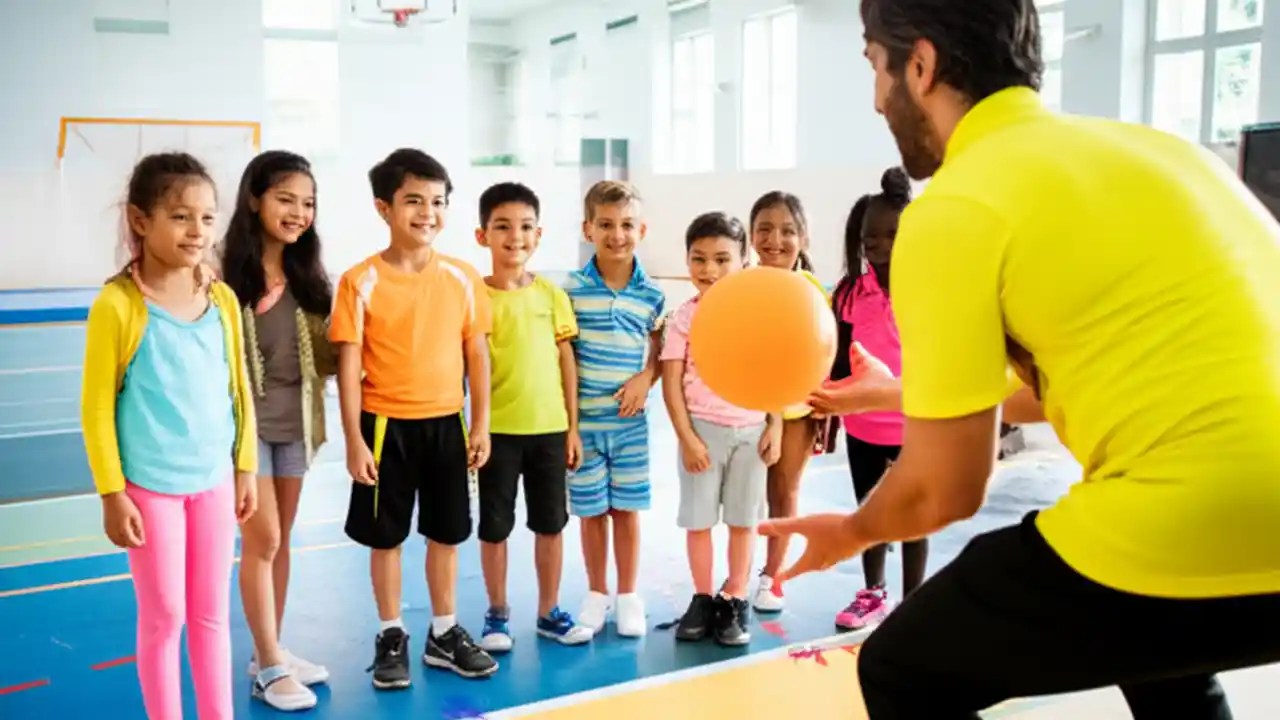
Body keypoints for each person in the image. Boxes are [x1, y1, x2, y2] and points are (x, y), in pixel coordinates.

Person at [764, 1, 1280, 718]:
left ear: (921, 64)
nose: (875, 97)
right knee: (1164, 653)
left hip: (1193, 519)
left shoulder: (955, 209)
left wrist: (849, 531)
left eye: (874, 66)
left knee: (902, 668)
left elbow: (945, 491)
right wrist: (886, 396)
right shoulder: (1170, 153)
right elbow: (1097, 370)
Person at [81, 152, 258, 720]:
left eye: (207, 219)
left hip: (212, 485)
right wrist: (113, 492)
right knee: (164, 618)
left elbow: (239, 391)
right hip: (150, 491)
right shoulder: (118, 306)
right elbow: (96, 408)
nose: (197, 231)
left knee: (211, 616)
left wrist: (245, 466)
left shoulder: (223, 301)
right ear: (140, 221)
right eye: (181, 217)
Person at [329, 148, 497, 688]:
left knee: (447, 534)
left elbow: (477, 356)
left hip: (446, 425)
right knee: (387, 538)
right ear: (384, 208)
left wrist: (481, 423)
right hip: (384, 428)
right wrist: (355, 441)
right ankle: (391, 633)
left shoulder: (464, 278)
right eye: (414, 201)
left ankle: (444, 633)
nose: (428, 212)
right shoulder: (360, 281)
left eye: (438, 202)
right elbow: (349, 367)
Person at [220, 150, 337, 710]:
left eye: (307, 203)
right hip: (245, 433)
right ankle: (267, 668)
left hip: (295, 426)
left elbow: (332, 357)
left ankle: (270, 649)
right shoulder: (221, 276)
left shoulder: (309, 278)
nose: (298, 212)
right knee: (261, 540)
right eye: (285, 199)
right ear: (254, 199)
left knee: (280, 541)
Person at [472, 181, 593, 652]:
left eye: (524, 227)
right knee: (495, 527)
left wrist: (572, 427)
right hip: (497, 433)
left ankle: (548, 611)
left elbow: (566, 361)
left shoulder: (551, 296)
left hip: (549, 432)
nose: (514, 236)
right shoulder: (475, 297)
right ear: (483, 236)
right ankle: (497, 613)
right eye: (502, 226)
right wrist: (476, 427)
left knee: (550, 524)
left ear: (538, 235)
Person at [661, 211, 782, 646]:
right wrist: (687, 437)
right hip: (703, 433)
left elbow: (775, 371)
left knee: (743, 521)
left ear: (744, 261)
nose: (709, 270)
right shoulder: (684, 318)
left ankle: (735, 597)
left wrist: (777, 423)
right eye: (699, 259)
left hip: (751, 434)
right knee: (698, 521)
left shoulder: (757, 313)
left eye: (721, 259)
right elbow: (672, 382)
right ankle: (702, 597)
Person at [564, 180, 666, 638]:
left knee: (627, 511)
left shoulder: (652, 295)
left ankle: (627, 595)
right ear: (589, 229)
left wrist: (646, 378)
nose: (616, 234)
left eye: (626, 225)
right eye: (605, 224)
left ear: (641, 230)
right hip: (584, 426)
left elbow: (663, 346)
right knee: (591, 513)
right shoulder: (570, 291)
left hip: (630, 427)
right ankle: (597, 592)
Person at [826, 168, 922, 633]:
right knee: (870, 511)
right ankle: (874, 592)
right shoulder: (848, 294)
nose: (879, 244)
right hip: (863, 427)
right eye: (871, 237)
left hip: (915, 427)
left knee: (914, 516)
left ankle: (914, 600)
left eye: (892, 233)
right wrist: (830, 406)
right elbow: (839, 361)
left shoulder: (929, 291)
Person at [746, 191, 828, 614]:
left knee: (783, 490)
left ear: (804, 238)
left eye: (787, 230)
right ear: (750, 234)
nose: (775, 239)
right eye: (764, 228)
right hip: (740, 407)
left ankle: (772, 575)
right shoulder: (739, 288)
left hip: (796, 412)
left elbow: (822, 354)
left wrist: (826, 407)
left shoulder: (811, 292)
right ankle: (735, 571)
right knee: (741, 495)